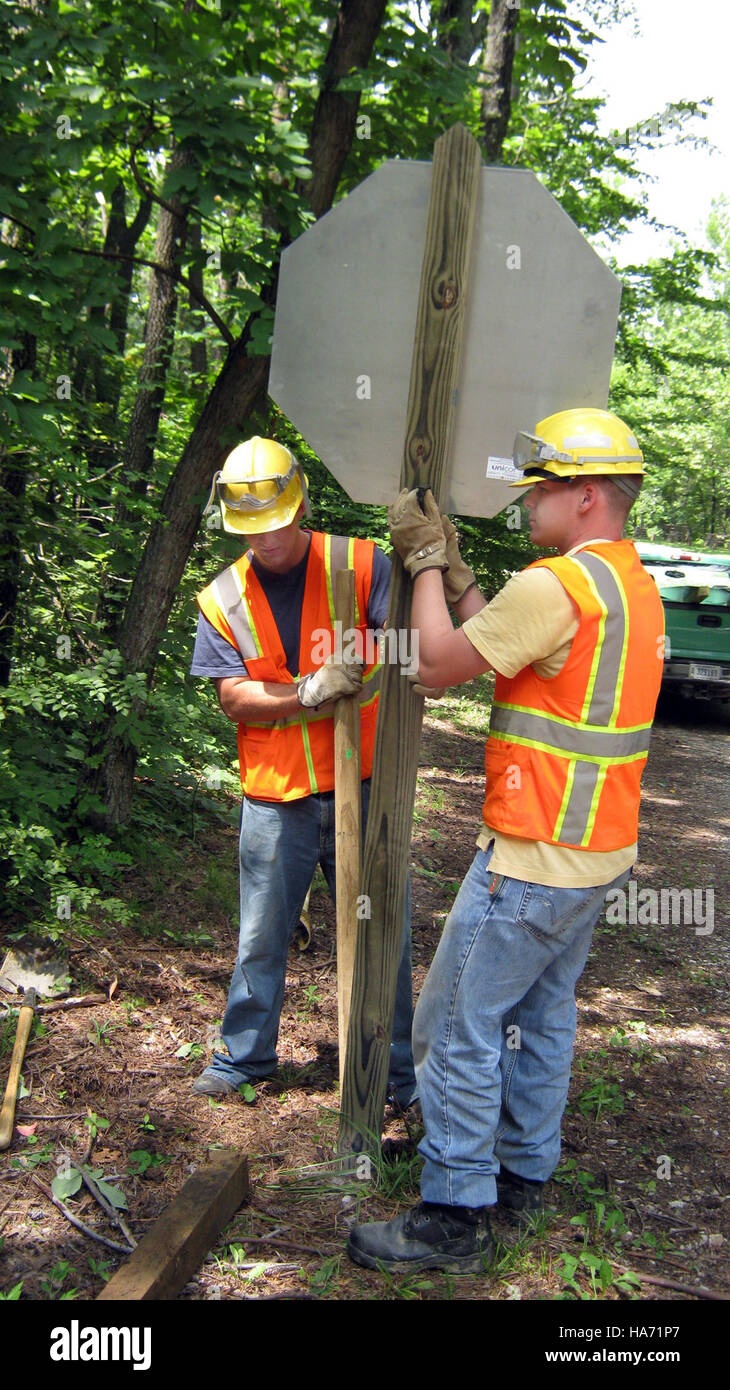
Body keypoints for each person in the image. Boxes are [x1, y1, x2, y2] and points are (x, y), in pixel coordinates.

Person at [347, 407, 665, 1273]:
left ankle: (453, 1213)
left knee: (454, 1024)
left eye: (542, 489)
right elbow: (514, 646)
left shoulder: (556, 585)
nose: (528, 504)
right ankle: (522, 1172)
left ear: (586, 496)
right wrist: (454, 575)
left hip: (532, 856)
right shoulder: (626, 585)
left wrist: (417, 561)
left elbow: (434, 665)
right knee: (541, 1016)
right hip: (595, 855)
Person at [190, 435, 417, 1107]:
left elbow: (411, 647)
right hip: (276, 797)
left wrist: (376, 659)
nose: (265, 539)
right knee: (261, 936)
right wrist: (312, 691)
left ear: (300, 505)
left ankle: (396, 1074)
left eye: (276, 522)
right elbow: (235, 699)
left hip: (365, 783)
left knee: (386, 938)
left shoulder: (360, 563)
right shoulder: (223, 596)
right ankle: (242, 1060)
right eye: (250, 529)